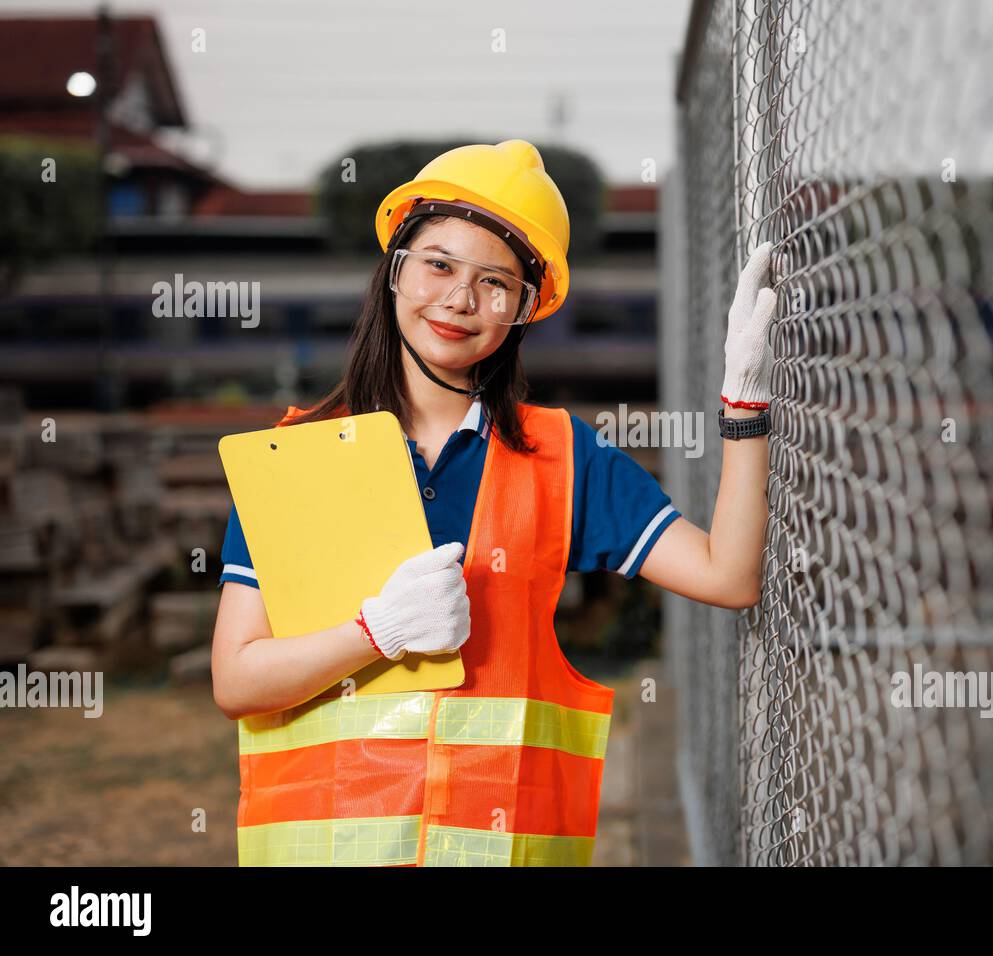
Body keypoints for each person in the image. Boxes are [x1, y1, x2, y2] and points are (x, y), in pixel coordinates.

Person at [210, 139, 775, 866]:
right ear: (395, 271)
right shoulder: (295, 456)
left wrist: (744, 407)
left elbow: (728, 576)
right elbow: (236, 679)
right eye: (438, 264)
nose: (459, 299)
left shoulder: (563, 459)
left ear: (523, 309)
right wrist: (375, 633)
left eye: (495, 282)